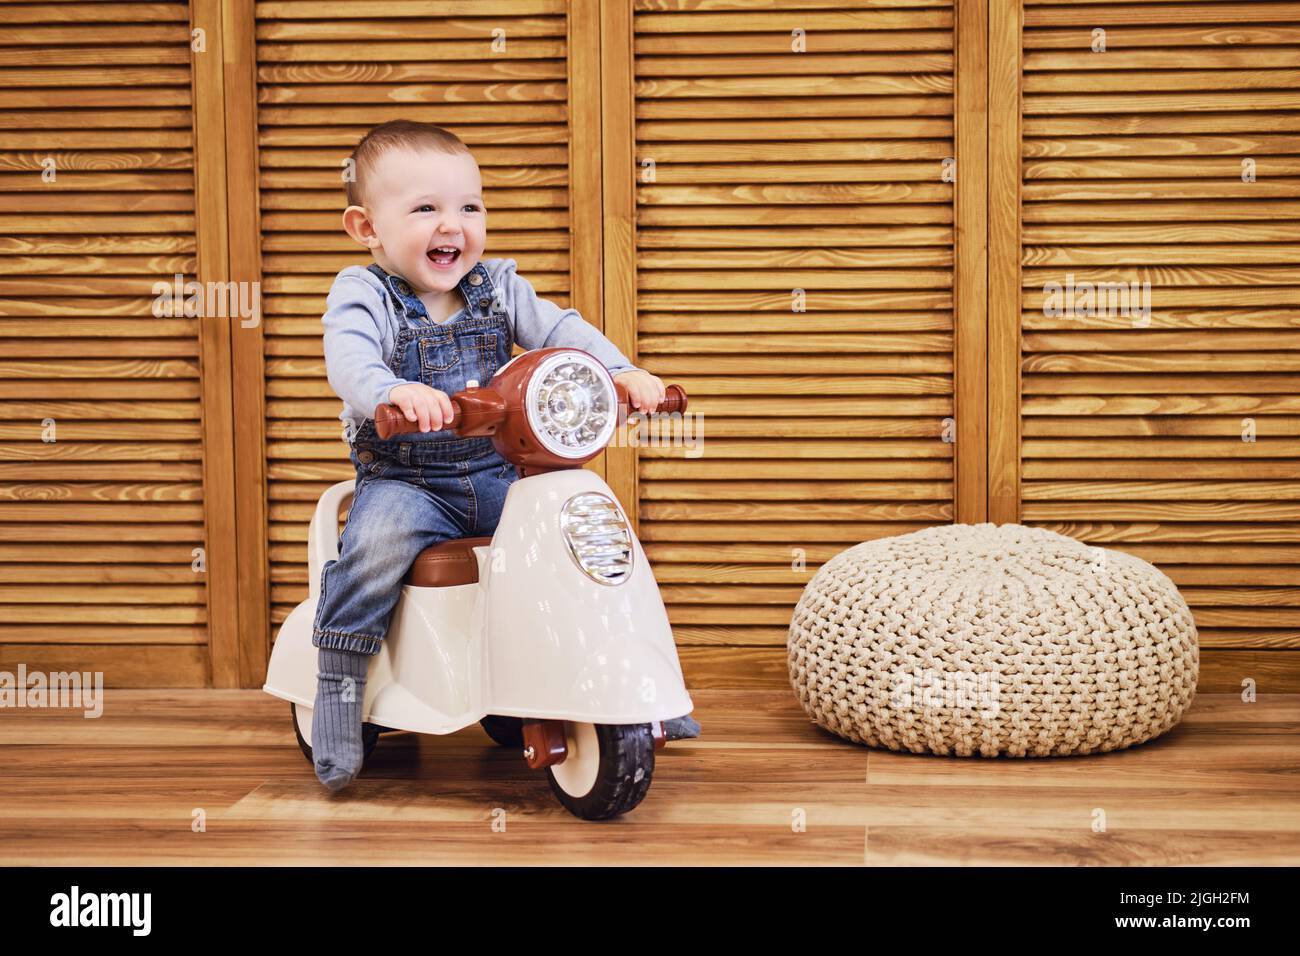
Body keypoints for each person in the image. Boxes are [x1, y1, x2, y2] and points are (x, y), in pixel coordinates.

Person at [310, 120, 700, 791]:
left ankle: (638, 682)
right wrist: (394, 389)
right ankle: (339, 686)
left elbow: (560, 327)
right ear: (366, 228)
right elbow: (349, 359)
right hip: (409, 480)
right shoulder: (363, 294)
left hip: (497, 473)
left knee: (589, 539)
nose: (452, 224)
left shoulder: (498, 287)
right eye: (426, 208)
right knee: (369, 554)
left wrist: (623, 370)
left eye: (470, 206)